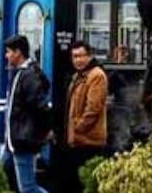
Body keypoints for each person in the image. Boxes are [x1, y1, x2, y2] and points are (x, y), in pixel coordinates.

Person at [0, 35, 50, 193]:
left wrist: (44, 131)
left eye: (8, 52)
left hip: (22, 140)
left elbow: (40, 107)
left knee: (28, 188)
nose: (6, 56)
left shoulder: (28, 76)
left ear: (18, 52)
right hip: (12, 141)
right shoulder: (21, 73)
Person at [59, 40, 108, 193]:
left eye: (81, 56)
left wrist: (79, 128)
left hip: (88, 141)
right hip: (76, 140)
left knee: (85, 184)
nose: (78, 60)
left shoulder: (96, 75)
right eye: (74, 57)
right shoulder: (78, 76)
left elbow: (93, 109)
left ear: (89, 56)